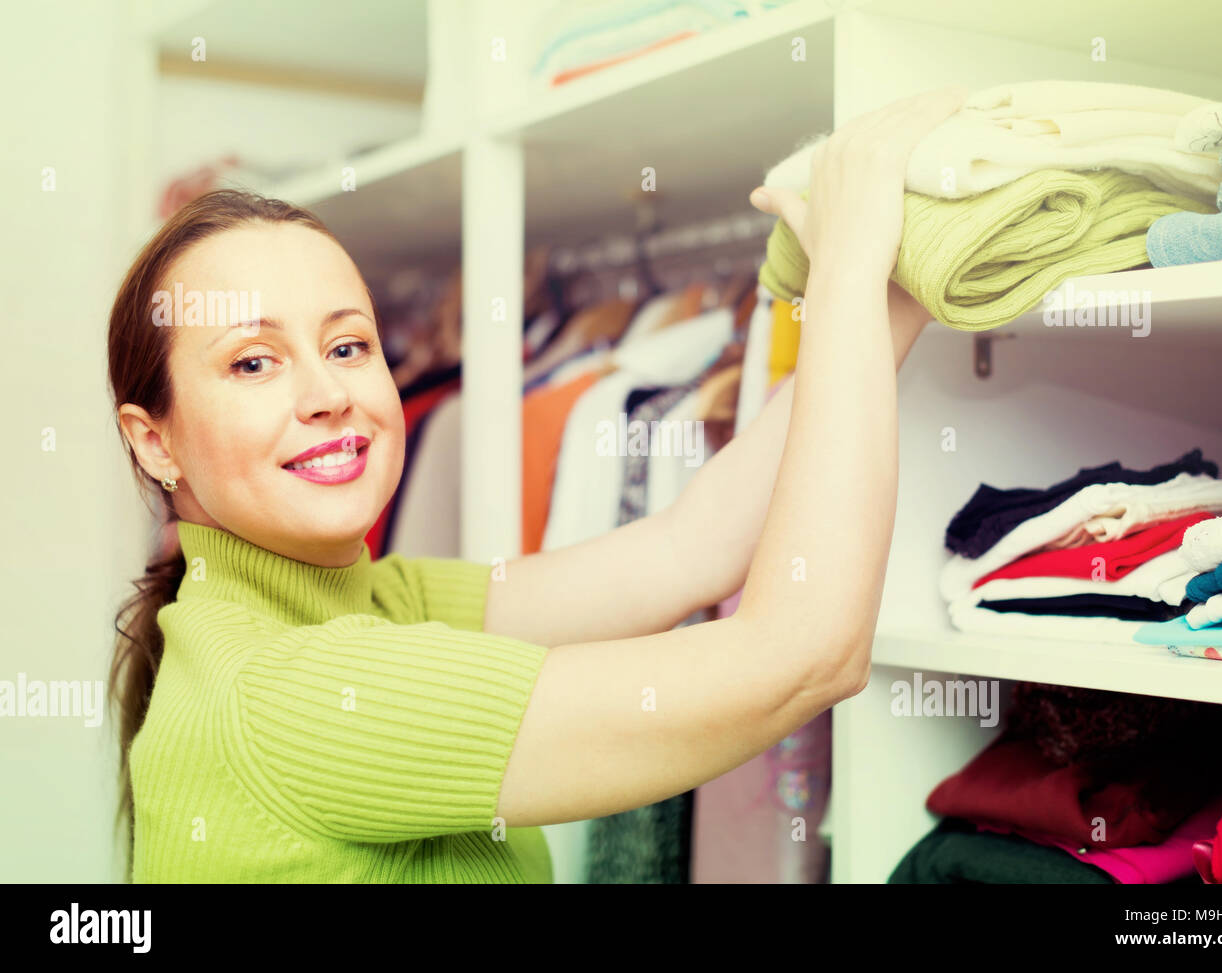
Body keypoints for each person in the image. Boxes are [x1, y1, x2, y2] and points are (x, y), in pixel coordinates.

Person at [107, 86, 967, 882]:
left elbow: (688, 549)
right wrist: (848, 272)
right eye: (254, 362)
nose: (329, 394)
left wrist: (897, 285)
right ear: (154, 443)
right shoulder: (296, 692)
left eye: (347, 346)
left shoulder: (368, 599)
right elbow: (799, 658)